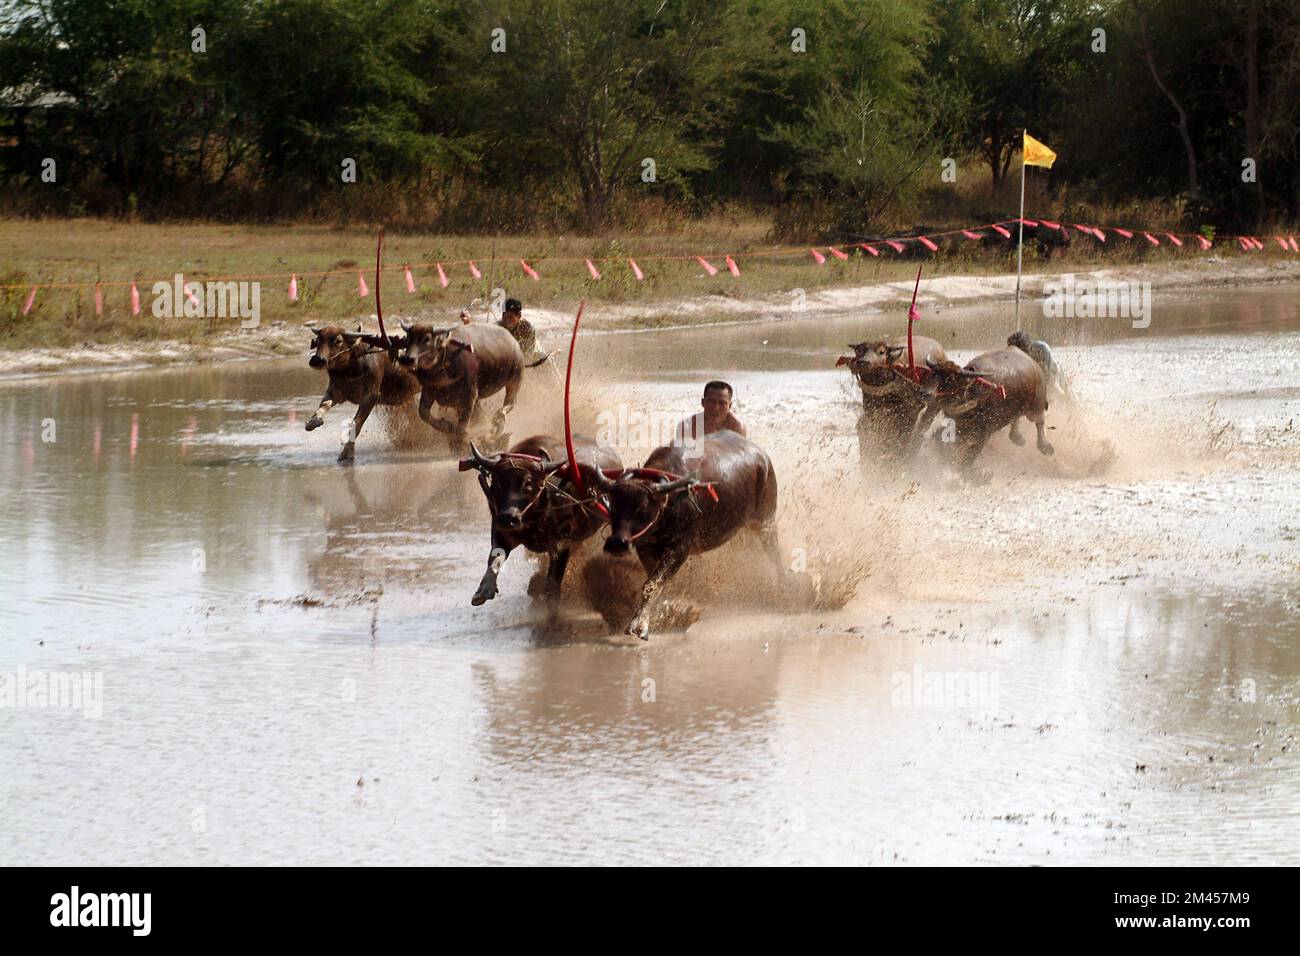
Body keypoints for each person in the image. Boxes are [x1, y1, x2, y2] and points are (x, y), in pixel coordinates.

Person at [1008, 331, 1077, 404]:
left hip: (1054, 375)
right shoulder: (1013, 358)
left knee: (1064, 396)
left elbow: (1047, 377)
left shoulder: (1041, 349)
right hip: (1040, 379)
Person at [674, 380, 747, 446]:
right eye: (711, 402)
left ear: (729, 406)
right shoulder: (688, 427)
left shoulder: (736, 427)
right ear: (703, 402)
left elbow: (742, 457)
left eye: (722, 403)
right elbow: (679, 456)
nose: (716, 408)